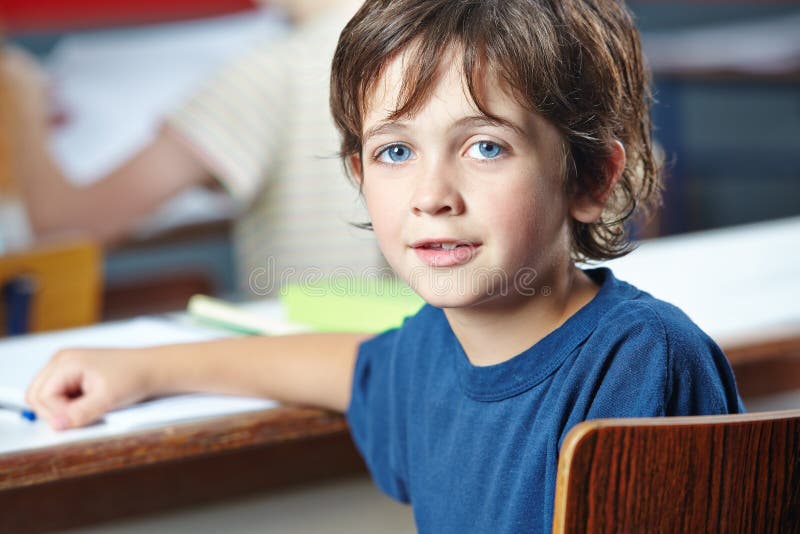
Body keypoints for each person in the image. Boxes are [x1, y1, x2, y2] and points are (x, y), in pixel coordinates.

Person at [25, 0, 744, 531]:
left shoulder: (644, 360)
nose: (432, 196)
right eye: (395, 152)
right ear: (358, 171)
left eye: (486, 146)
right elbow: (349, 365)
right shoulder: (434, 349)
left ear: (589, 180)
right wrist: (141, 370)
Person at [1, 0, 379, 295]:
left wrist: (23, 104)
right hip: (416, 346)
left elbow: (65, 227)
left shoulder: (272, 70)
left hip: (308, 351)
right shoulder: (428, 48)